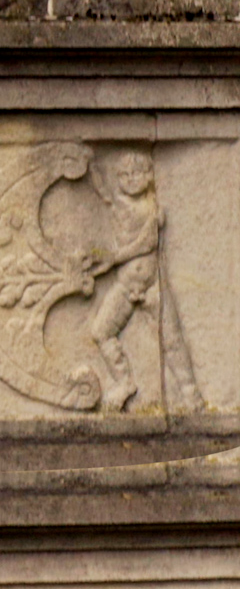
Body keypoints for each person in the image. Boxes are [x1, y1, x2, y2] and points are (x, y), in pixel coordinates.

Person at [86, 150, 203, 412]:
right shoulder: (119, 204)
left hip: (152, 286)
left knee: (171, 340)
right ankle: (124, 381)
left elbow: (147, 242)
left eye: (137, 173)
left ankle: (190, 394)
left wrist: (114, 258)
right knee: (101, 331)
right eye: (124, 175)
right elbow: (104, 192)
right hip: (126, 287)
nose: (131, 179)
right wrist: (89, 163)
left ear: (149, 176)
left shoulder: (151, 207)